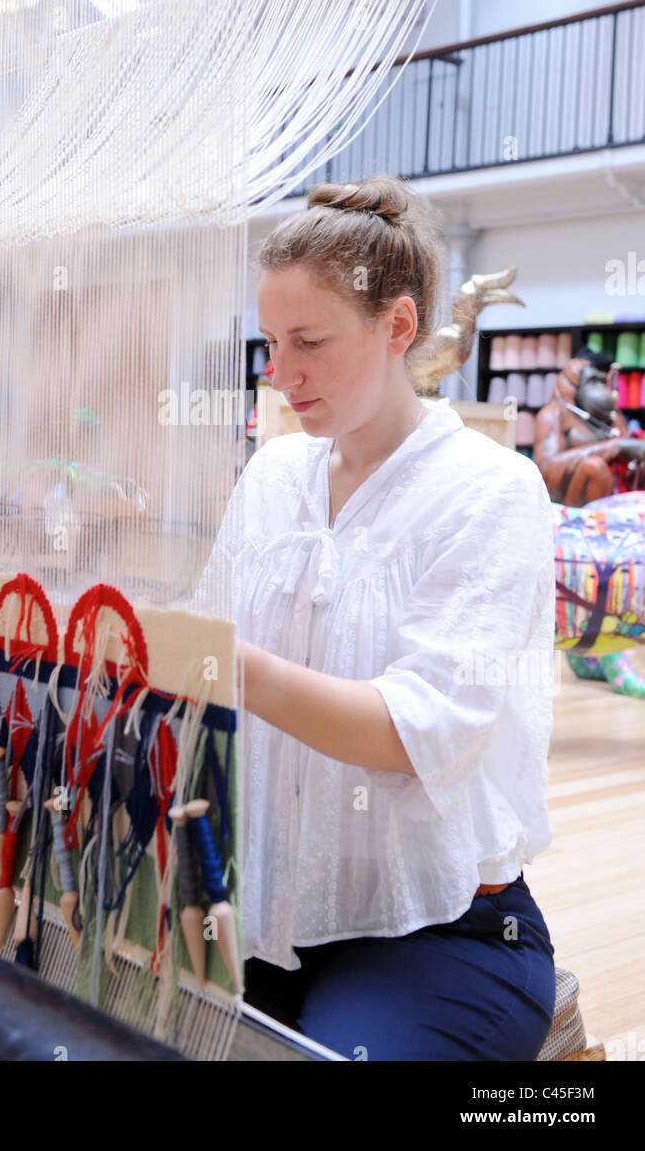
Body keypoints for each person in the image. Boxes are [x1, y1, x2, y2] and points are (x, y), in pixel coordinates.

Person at [191, 175, 557, 1061]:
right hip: (269, 902)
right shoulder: (275, 476)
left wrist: (232, 665)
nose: (279, 373)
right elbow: (200, 665)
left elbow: (417, 728)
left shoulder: (489, 491)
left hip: (442, 931)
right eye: (271, 342)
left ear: (398, 328)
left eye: (308, 341)